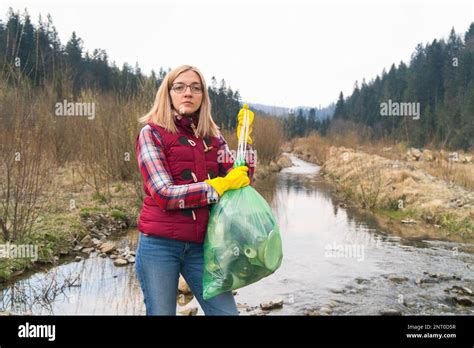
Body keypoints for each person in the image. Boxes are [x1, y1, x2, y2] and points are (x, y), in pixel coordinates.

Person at [135, 64, 254, 315]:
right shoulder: (151, 133)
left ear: (203, 96)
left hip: (202, 246)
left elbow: (241, 180)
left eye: (195, 87)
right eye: (179, 87)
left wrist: (246, 143)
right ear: (168, 94)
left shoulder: (213, 137)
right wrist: (215, 187)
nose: (187, 92)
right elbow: (164, 194)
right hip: (159, 246)